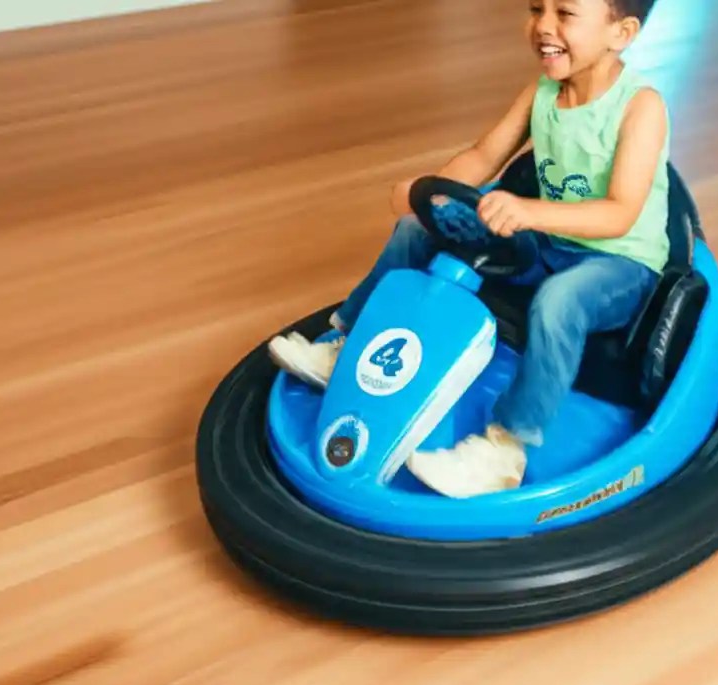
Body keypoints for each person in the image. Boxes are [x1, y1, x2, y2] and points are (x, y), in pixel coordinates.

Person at [269, 0, 668, 498]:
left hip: (620, 261)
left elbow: (620, 213)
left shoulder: (640, 106)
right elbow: (483, 155)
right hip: (548, 241)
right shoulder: (543, 91)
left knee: (559, 302)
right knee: (415, 233)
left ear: (621, 33)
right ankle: (348, 350)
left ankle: (505, 449)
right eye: (536, 8)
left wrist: (530, 212)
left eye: (565, 13)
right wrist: (429, 192)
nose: (543, 25)